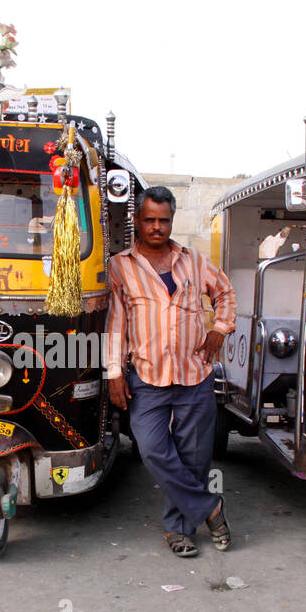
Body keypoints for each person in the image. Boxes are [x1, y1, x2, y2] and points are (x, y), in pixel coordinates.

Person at [105, 186, 237, 558]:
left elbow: (226, 292)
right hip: (147, 376)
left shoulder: (194, 260)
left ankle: (178, 529)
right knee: (152, 449)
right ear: (137, 220)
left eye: (163, 220)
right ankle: (210, 508)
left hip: (195, 373)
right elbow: (115, 324)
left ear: (172, 221)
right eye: (149, 220)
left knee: (194, 456)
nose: (157, 227)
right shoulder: (120, 267)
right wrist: (114, 372)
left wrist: (219, 329)